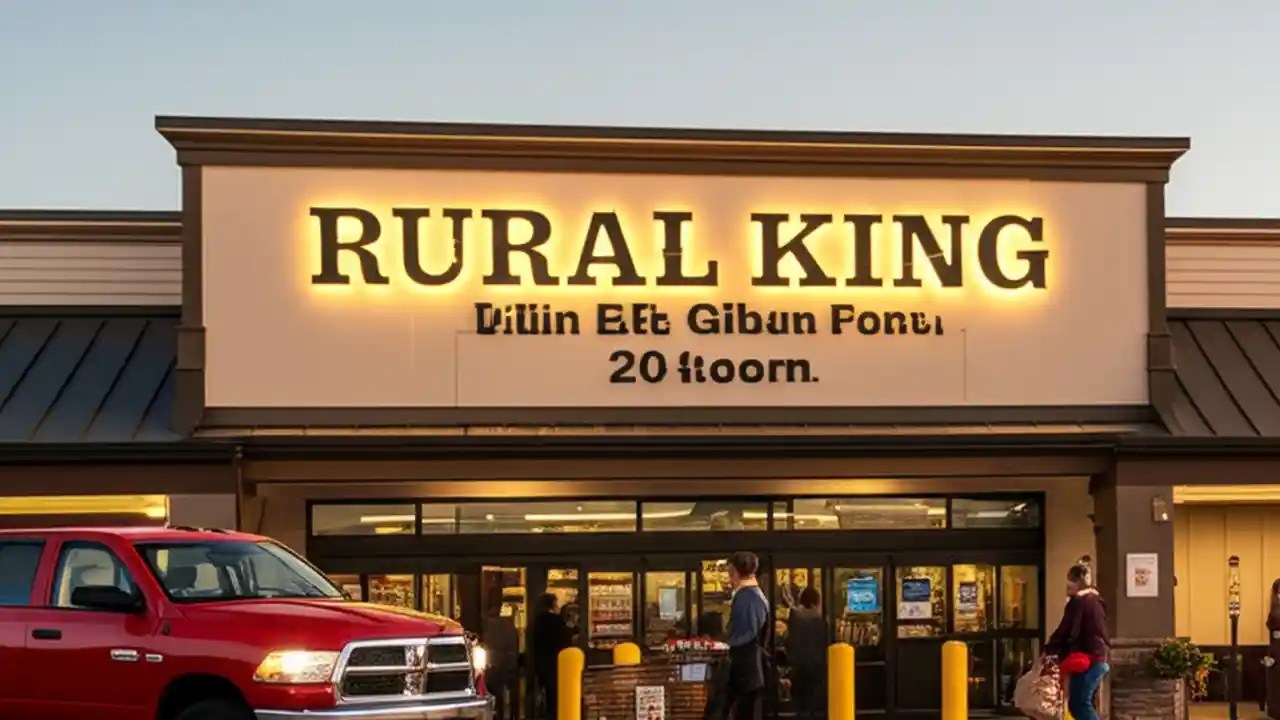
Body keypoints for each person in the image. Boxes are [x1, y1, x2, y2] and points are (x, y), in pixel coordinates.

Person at [1044, 557, 1110, 720]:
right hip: (1096, 659)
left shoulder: (1080, 603)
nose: (1067, 584)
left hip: (1088, 659)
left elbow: (1068, 631)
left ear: (1081, 581)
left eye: (1071, 580)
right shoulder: (1094, 601)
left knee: (1080, 704)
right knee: (1080, 703)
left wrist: (1050, 649)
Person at [724, 551, 770, 720]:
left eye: (730, 573)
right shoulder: (755, 596)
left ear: (734, 571)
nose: (729, 579)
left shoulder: (747, 598)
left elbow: (741, 637)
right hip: (751, 672)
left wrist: (723, 646)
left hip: (745, 673)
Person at [785, 587, 825, 720]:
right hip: (816, 670)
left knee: (800, 707)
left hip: (798, 669)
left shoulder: (794, 617)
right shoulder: (821, 620)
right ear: (816, 602)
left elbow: (790, 642)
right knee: (813, 705)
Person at [530, 592, 571, 719]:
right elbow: (565, 641)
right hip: (557, 665)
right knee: (556, 699)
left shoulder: (535, 622)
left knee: (546, 696)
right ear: (552, 604)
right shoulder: (557, 622)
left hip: (541, 666)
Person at [481, 587, 520, 720]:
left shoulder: (486, 620)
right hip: (507, 660)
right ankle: (511, 715)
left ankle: (499, 716)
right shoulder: (506, 621)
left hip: (495, 661)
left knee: (497, 694)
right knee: (508, 692)